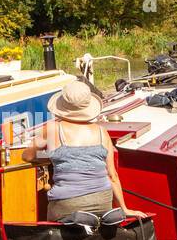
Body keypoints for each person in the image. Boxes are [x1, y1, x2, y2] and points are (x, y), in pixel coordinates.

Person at [24, 80, 132, 220]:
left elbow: (27, 156)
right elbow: (112, 176)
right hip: (103, 201)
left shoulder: (52, 129)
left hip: (67, 202)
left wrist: (51, 156)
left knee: (52, 215)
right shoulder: (102, 132)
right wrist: (124, 208)